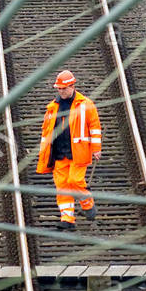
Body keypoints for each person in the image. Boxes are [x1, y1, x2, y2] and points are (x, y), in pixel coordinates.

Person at [36, 70, 101, 231]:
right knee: (62, 186)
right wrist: (44, 153)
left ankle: (87, 203)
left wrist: (96, 149)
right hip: (59, 154)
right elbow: (46, 132)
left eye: (64, 88)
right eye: (59, 89)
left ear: (72, 86)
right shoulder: (52, 107)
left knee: (75, 181)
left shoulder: (85, 104)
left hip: (79, 152)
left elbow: (94, 127)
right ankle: (67, 219)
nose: (61, 91)